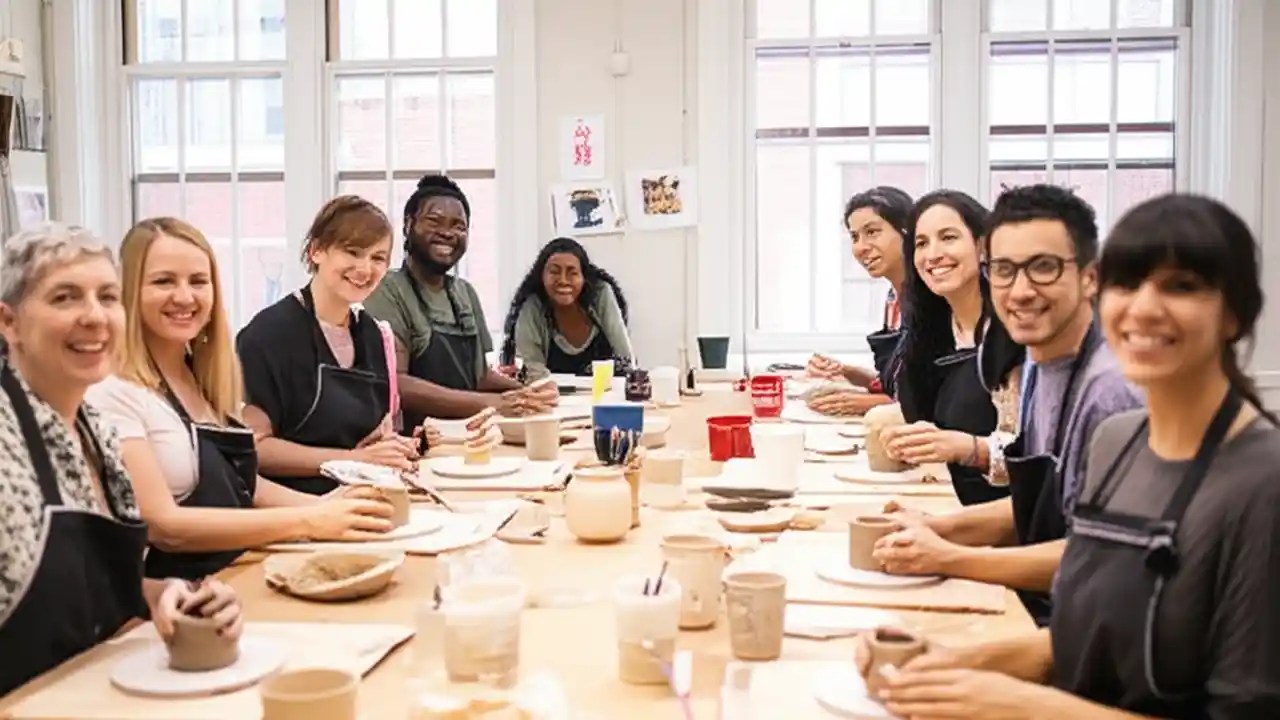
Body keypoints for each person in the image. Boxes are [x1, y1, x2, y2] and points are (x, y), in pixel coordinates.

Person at [859, 194, 1280, 719]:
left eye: (1182, 287)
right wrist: (956, 661)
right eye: (1128, 283)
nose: (1145, 307)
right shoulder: (1120, 441)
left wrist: (1022, 705)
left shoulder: (1261, 482)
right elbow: (1086, 632)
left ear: (1238, 313)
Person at [873, 185, 1141, 625]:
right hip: (1047, 605)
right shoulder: (1039, 364)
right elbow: (1041, 507)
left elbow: (1101, 554)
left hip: (1094, 628)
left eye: (1043, 268)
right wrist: (936, 527)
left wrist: (950, 556)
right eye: (1004, 270)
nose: (1019, 291)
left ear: (1090, 276)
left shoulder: (1112, 389)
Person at [0, 223, 242, 695]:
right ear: (8, 323)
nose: (94, 317)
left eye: (107, 297)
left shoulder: (98, 432)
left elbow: (103, 594)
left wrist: (170, 595)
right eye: (65, 298)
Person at [87, 217, 395, 580]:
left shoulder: (201, 378)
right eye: (163, 281)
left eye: (198, 282)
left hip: (236, 576)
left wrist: (336, 507)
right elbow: (165, 527)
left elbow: (245, 485)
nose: (185, 297)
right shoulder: (113, 391)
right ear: (128, 291)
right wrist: (309, 519)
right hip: (177, 599)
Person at [237, 197, 420, 495]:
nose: (365, 269)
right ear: (317, 250)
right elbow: (255, 448)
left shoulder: (371, 333)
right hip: (292, 509)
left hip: (360, 497)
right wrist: (353, 460)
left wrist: (395, 446)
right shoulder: (268, 335)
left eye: (378, 258)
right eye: (353, 252)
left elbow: (368, 437)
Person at [363, 174, 557, 426]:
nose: (447, 232)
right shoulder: (387, 290)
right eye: (434, 221)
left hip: (474, 432)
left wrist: (527, 394)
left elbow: (478, 377)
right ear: (408, 225)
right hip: (418, 442)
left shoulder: (464, 293)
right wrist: (491, 404)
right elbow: (396, 383)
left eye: (458, 226)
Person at [883, 190, 1023, 506]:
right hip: (949, 502)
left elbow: (1038, 457)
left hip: (1009, 523)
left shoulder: (1015, 330)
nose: (933, 255)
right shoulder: (932, 329)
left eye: (948, 237)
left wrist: (966, 447)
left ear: (983, 245)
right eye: (921, 244)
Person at [807, 186, 912, 409]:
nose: (860, 247)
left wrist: (869, 404)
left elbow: (934, 398)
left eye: (872, 232)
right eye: (855, 237)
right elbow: (897, 385)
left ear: (906, 231)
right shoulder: (894, 298)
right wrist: (845, 372)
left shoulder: (933, 299)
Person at [498, 236, 633, 380]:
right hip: (551, 395)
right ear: (541, 276)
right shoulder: (533, 306)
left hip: (604, 394)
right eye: (554, 272)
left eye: (572, 273)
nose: (563, 280)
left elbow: (624, 357)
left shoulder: (600, 295)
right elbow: (531, 369)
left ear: (584, 277)